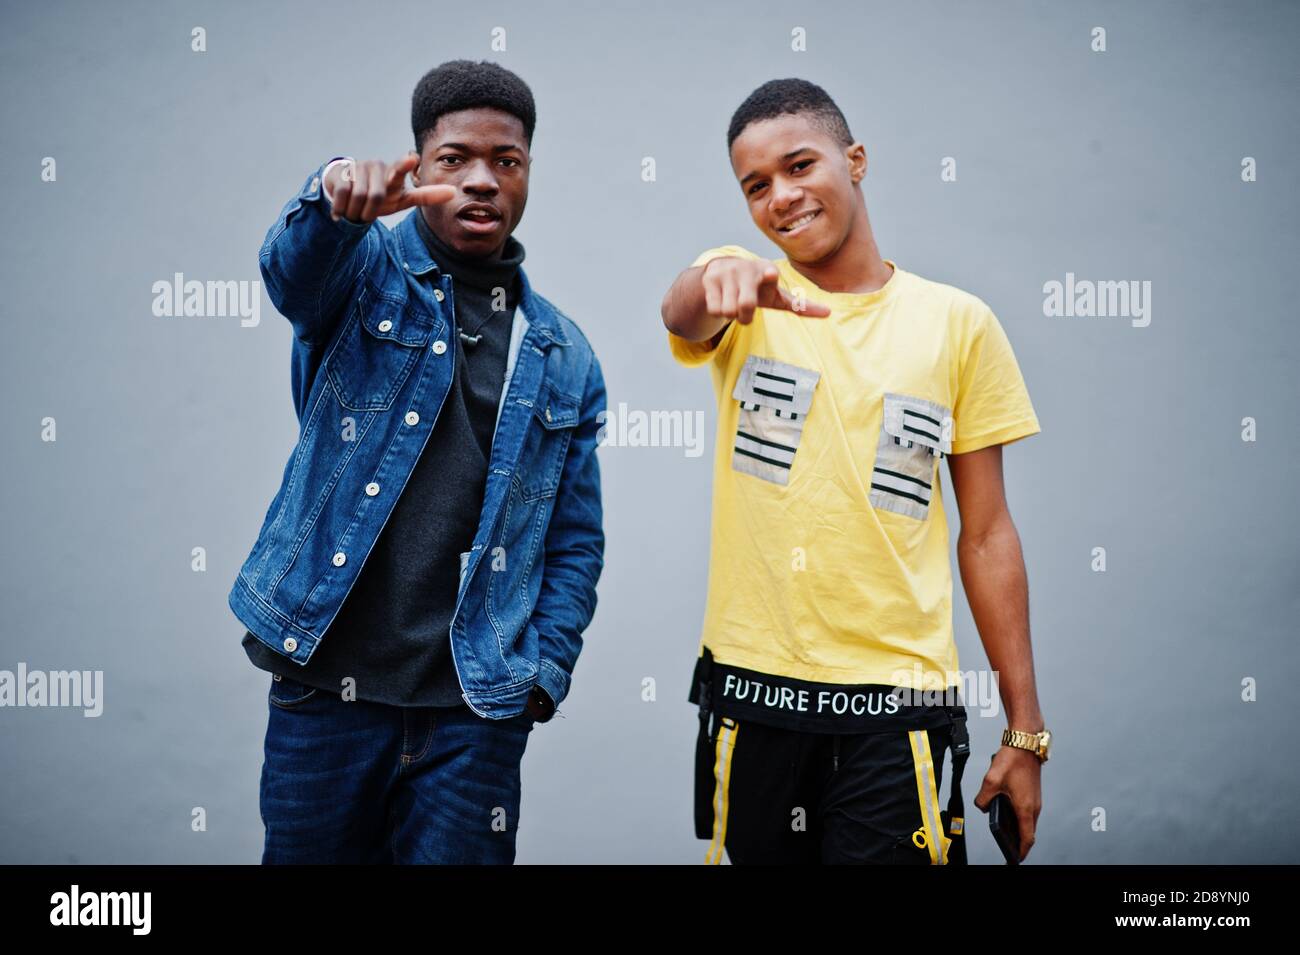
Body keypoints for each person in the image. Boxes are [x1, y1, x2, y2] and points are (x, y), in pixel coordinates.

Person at [661, 78, 1051, 864]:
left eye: (801, 165)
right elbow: (683, 310)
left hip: (897, 712)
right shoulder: (743, 291)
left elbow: (987, 533)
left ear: (857, 160)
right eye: (756, 186)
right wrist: (719, 282)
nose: (782, 196)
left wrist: (1025, 729)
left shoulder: (958, 323)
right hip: (754, 698)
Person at [228, 60, 606, 864]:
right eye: (454, 159)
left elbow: (575, 542)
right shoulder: (363, 275)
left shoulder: (563, 352)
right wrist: (332, 195)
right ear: (420, 164)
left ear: (527, 172)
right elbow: (291, 271)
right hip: (326, 695)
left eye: (506, 161)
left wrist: (540, 675)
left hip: (472, 715)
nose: (481, 181)